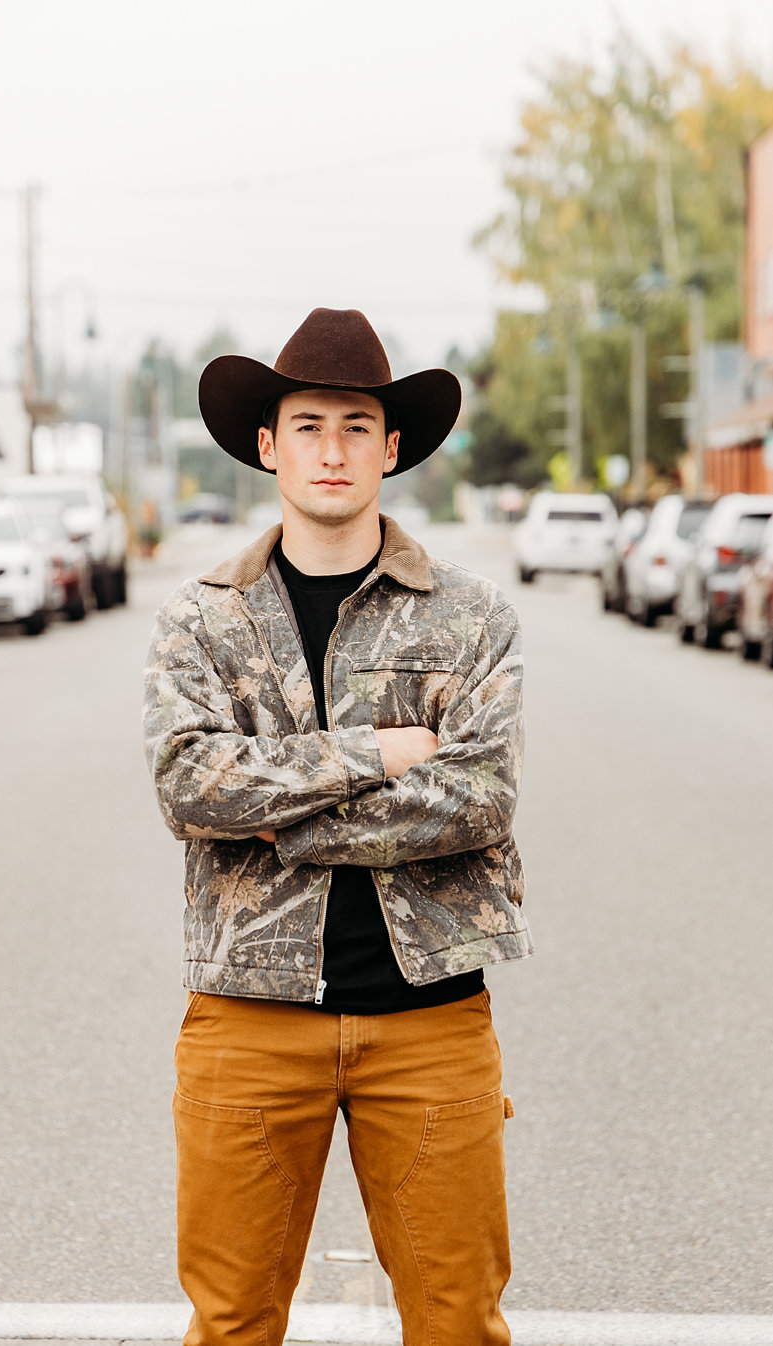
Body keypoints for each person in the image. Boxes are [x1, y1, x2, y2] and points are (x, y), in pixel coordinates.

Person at [143, 308, 532, 1346]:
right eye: (307, 425)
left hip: (431, 1019)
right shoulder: (203, 618)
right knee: (232, 1324)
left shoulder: (471, 615)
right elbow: (191, 787)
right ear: (267, 445)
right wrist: (375, 752)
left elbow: (479, 796)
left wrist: (286, 824)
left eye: (356, 426)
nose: (331, 449)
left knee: (458, 1323)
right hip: (248, 1017)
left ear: (390, 448)